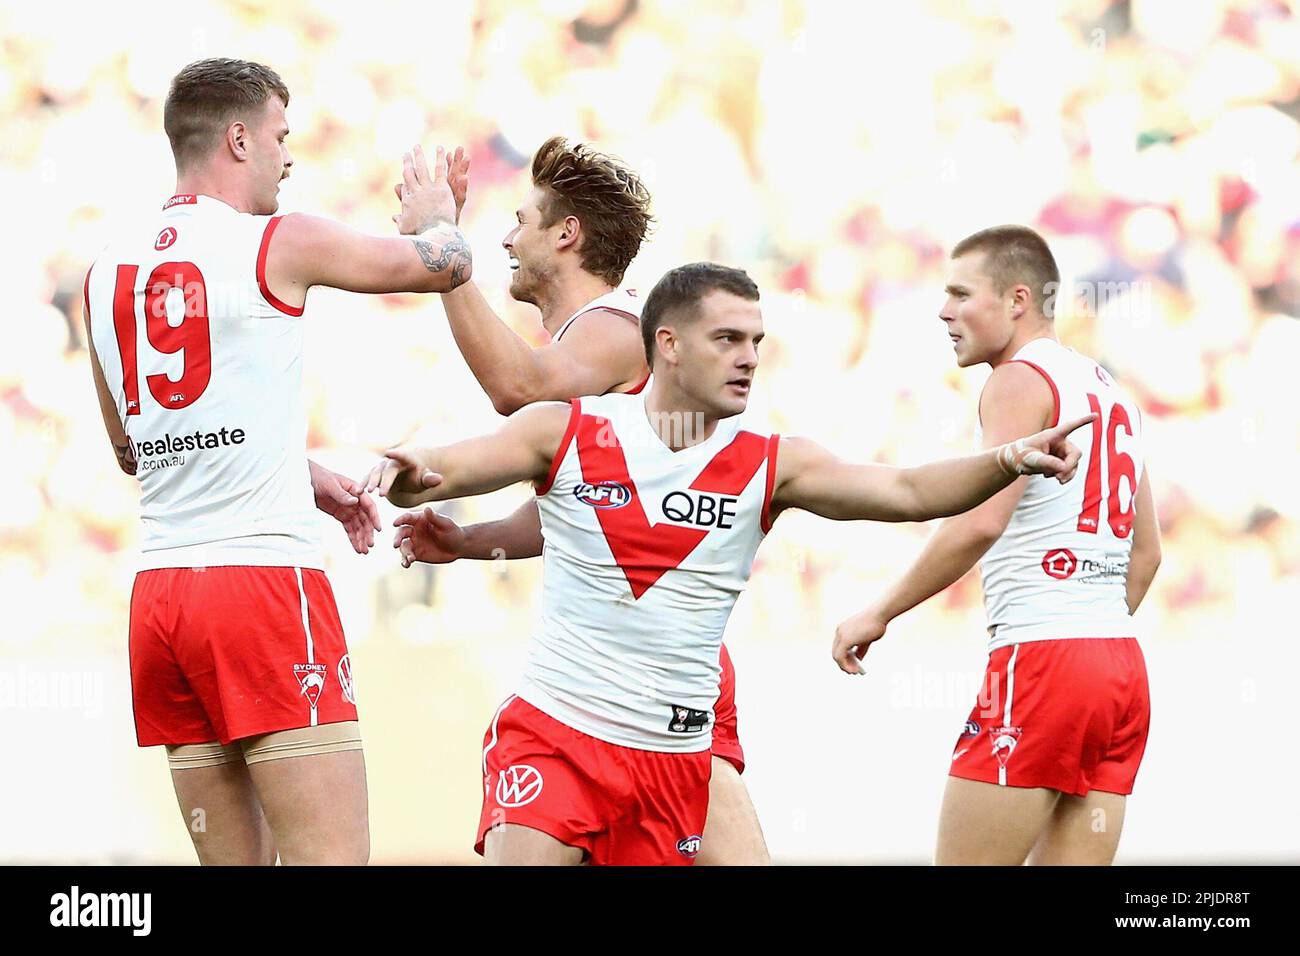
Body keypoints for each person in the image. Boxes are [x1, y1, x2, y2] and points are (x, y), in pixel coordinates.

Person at [367, 261, 1089, 866]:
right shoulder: (565, 431)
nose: (748, 356)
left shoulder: (772, 464)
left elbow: (904, 491)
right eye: (728, 339)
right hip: (558, 736)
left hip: (678, 760)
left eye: (756, 340)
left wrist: (1005, 460)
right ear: (670, 345)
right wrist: (405, 470)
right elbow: (444, 469)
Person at [82, 57, 472, 865]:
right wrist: (438, 217)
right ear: (237, 138)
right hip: (262, 589)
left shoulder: (102, 273)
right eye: (280, 137)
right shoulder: (276, 241)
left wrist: (292, 470)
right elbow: (447, 264)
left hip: (161, 602)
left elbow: (135, 447)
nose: (289, 157)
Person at [390, 137, 768, 864]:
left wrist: (444, 248)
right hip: (646, 673)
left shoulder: (621, 330)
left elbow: (517, 388)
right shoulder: (605, 348)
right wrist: (473, 542)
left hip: (652, 685)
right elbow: (596, 502)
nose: (505, 236)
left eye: (522, 219)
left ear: (566, 235)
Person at [832, 225, 1160, 865]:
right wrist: (1088, 642)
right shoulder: (1112, 391)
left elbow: (980, 522)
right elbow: (1146, 556)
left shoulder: (1018, 379)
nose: (943, 311)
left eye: (960, 293)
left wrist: (879, 611)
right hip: (1120, 667)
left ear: (1016, 299)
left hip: (1042, 662)